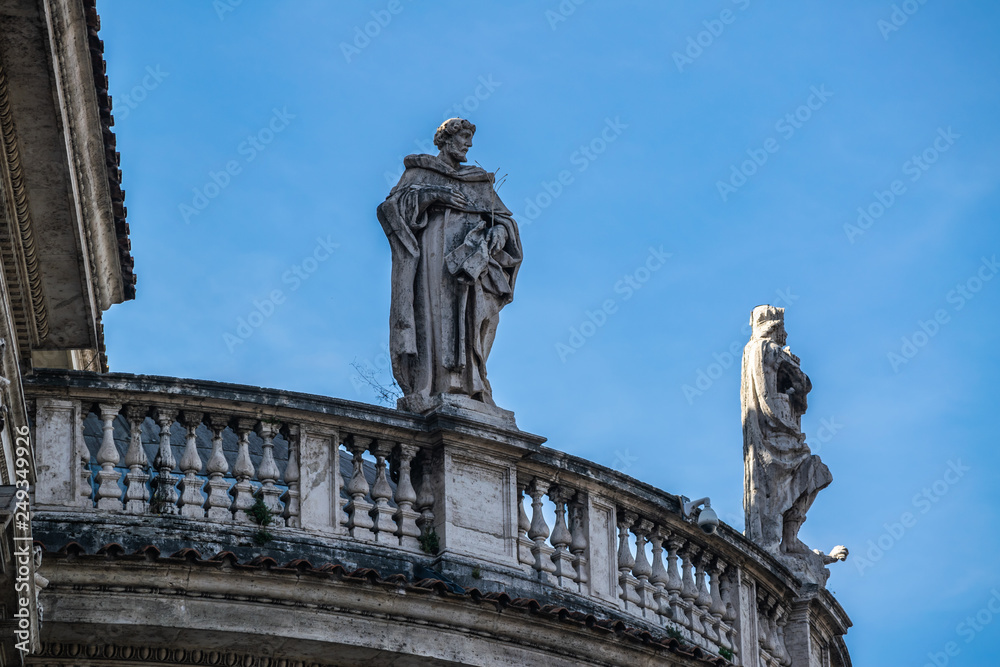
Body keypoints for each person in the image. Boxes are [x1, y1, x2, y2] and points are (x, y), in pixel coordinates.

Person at [377, 118, 522, 413]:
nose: (468, 145)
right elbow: (390, 209)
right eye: (463, 139)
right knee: (435, 315)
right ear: (445, 140)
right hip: (435, 254)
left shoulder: (477, 180)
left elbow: (504, 219)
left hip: (474, 258)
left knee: (473, 318)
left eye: (470, 139)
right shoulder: (420, 172)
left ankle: (473, 385)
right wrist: (432, 195)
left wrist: (500, 232)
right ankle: (435, 384)